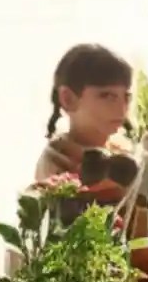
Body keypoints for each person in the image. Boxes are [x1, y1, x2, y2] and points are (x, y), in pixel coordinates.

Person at [34, 43, 135, 182]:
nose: (122, 108)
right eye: (107, 96)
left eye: (126, 97)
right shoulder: (55, 166)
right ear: (68, 99)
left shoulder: (124, 151)